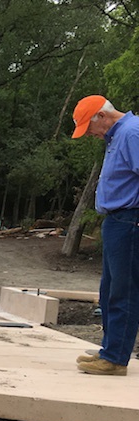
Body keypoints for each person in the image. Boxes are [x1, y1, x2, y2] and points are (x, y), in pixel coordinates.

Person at [71, 95, 139, 376]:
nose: (89, 134)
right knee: (109, 290)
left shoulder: (132, 133)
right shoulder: (118, 135)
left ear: (102, 116)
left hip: (130, 221)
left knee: (124, 291)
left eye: (89, 127)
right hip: (117, 221)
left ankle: (115, 358)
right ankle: (110, 350)